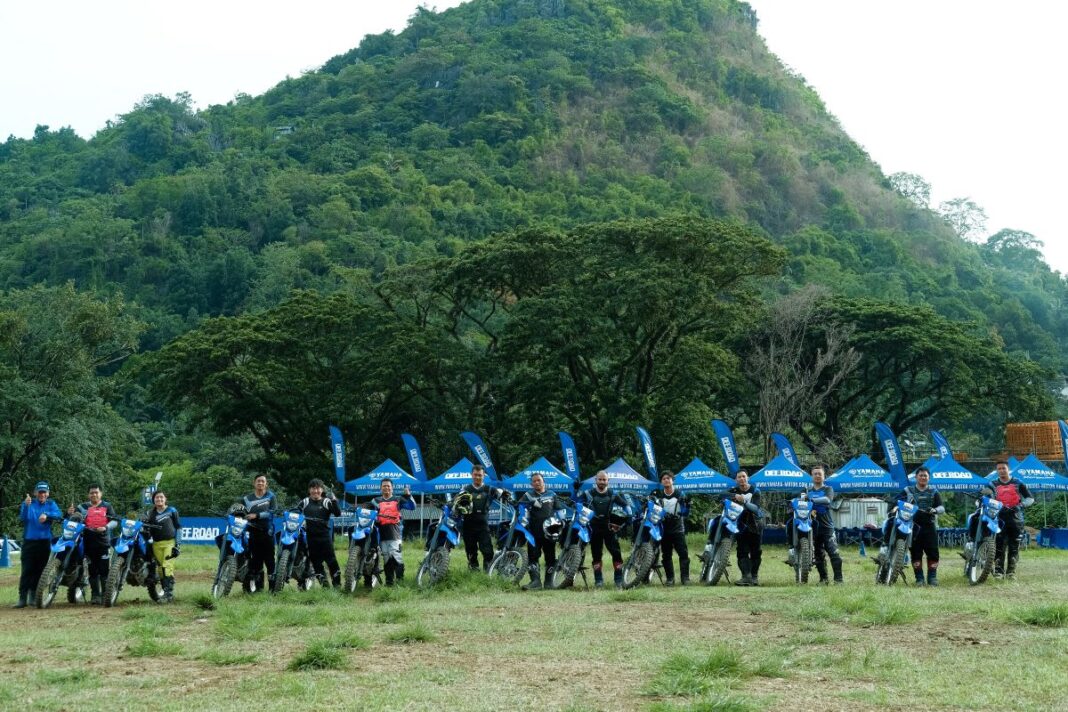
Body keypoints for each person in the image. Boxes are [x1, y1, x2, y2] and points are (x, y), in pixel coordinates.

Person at [14, 482, 63, 608]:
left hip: (44, 542)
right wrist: (25, 505)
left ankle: (33, 596)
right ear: (35, 493)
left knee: (40, 570)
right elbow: (23, 518)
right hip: (29, 542)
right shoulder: (29, 503)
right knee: (27, 570)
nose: (42, 494)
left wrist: (47, 516)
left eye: (44, 492)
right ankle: (22, 598)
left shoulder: (51, 504)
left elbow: (59, 516)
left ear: (48, 493)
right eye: (40, 492)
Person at [577, 470, 629, 588]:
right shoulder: (588, 493)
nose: (602, 481)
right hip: (594, 527)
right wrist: (575, 490)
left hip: (609, 527)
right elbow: (575, 501)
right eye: (599, 479)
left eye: (604, 479)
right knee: (596, 554)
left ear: (608, 481)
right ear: (596, 480)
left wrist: (628, 515)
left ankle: (619, 580)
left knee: (616, 553)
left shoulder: (613, 494)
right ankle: (598, 580)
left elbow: (625, 505)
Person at [72, 484, 118, 604]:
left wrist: (106, 527)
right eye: (92, 493)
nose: (94, 494)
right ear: (88, 494)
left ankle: (105, 595)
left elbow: (115, 521)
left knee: (104, 570)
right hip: (87, 543)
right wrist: (70, 513)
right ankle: (95, 595)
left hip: (103, 543)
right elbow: (72, 519)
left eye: (96, 492)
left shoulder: (107, 506)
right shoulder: (82, 507)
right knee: (92, 570)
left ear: (100, 494)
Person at [517, 473, 565, 589]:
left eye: (539, 480)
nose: (537, 483)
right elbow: (519, 506)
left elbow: (559, 509)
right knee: (533, 557)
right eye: (534, 481)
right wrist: (528, 503)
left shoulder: (552, 494)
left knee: (550, 557)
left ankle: (549, 582)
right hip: (533, 532)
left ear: (544, 481)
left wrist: (562, 522)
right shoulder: (528, 495)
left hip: (549, 531)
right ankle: (535, 582)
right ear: (531, 483)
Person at [988, 460, 1034, 579]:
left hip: (1016, 519)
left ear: (1008, 469)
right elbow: (984, 497)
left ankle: (1011, 572)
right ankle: (998, 572)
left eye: (1003, 468)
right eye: (999, 469)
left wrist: (1022, 505)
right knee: (999, 546)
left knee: (1014, 546)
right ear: (996, 471)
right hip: (999, 519)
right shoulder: (992, 484)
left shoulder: (1018, 483)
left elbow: (1030, 498)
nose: (1002, 471)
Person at [458, 464, 506, 573]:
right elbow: (456, 502)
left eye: (480, 475)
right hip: (468, 525)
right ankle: (473, 571)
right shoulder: (465, 489)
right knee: (471, 551)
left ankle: (487, 573)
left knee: (488, 551)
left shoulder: (489, 489)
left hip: (483, 525)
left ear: (484, 475)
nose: (477, 477)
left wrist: (505, 494)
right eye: (475, 475)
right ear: (471, 475)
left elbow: (503, 495)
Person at [296, 478, 342, 587]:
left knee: (331, 561)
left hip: (325, 536)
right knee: (316, 562)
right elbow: (295, 512)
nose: (315, 491)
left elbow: (337, 513)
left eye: (318, 488)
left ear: (322, 490)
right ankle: (324, 585)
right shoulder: (305, 502)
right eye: (313, 488)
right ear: (309, 490)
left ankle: (337, 585)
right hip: (311, 537)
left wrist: (334, 500)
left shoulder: (326, 501)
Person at [370, 478, 416, 586]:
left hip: (395, 533)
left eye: (388, 486)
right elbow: (368, 511)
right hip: (381, 534)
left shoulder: (398, 499)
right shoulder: (375, 501)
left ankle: (400, 582)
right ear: (381, 488)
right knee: (386, 558)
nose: (386, 488)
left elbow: (412, 507)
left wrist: (408, 495)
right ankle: (389, 582)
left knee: (396, 557)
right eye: (384, 486)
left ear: (392, 488)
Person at [804, 466, 843, 585]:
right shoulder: (807, 489)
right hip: (811, 526)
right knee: (818, 554)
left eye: (819, 474)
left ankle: (838, 580)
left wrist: (811, 500)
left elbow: (827, 500)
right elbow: (799, 499)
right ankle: (823, 579)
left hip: (826, 526)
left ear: (823, 476)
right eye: (815, 474)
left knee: (834, 552)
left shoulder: (828, 489)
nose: (817, 476)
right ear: (811, 476)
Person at [650, 471, 690, 586]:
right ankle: (670, 579)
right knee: (666, 554)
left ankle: (685, 578)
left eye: (668, 478)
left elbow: (685, 513)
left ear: (673, 480)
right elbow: (653, 509)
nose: (666, 480)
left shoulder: (680, 494)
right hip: (664, 528)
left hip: (678, 528)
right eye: (664, 479)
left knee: (683, 553)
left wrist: (687, 505)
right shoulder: (658, 494)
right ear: (661, 482)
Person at [242, 474, 278, 593]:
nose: (260, 483)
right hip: (252, 532)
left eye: (263, 481)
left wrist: (256, 515)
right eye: (258, 481)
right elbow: (240, 511)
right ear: (254, 483)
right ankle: (259, 589)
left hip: (267, 533)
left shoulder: (271, 496)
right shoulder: (247, 498)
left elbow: (273, 512)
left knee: (270, 561)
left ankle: (273, 589)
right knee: (256, 560)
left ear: (266, 484)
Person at [143, 491, 182, 602]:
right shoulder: (150, 513)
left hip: (170, 543)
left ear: (165, 499)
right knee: (160, 569)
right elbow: (147, 528)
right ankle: (167, 589)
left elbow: (179, 527)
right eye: (156, 498)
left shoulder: (172, 511)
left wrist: (178, 545)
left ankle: (168, 595)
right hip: (156, 544)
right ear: (153, 500)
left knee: (166, 566)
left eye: (161, 497)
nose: (159, 499)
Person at [727, 470, 763, 586]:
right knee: (742, 551)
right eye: (739, 477)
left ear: (747, 478)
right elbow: (722, 495)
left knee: (755, 552)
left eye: (744, 476)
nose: (742, 479)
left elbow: (756, 508)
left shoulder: (755, 491)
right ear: (736, 480)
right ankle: (745, 576)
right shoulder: (734, 490)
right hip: (740, 525)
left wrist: (744, 501)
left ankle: (754, 577)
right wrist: (733, 496)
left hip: (755, 525)